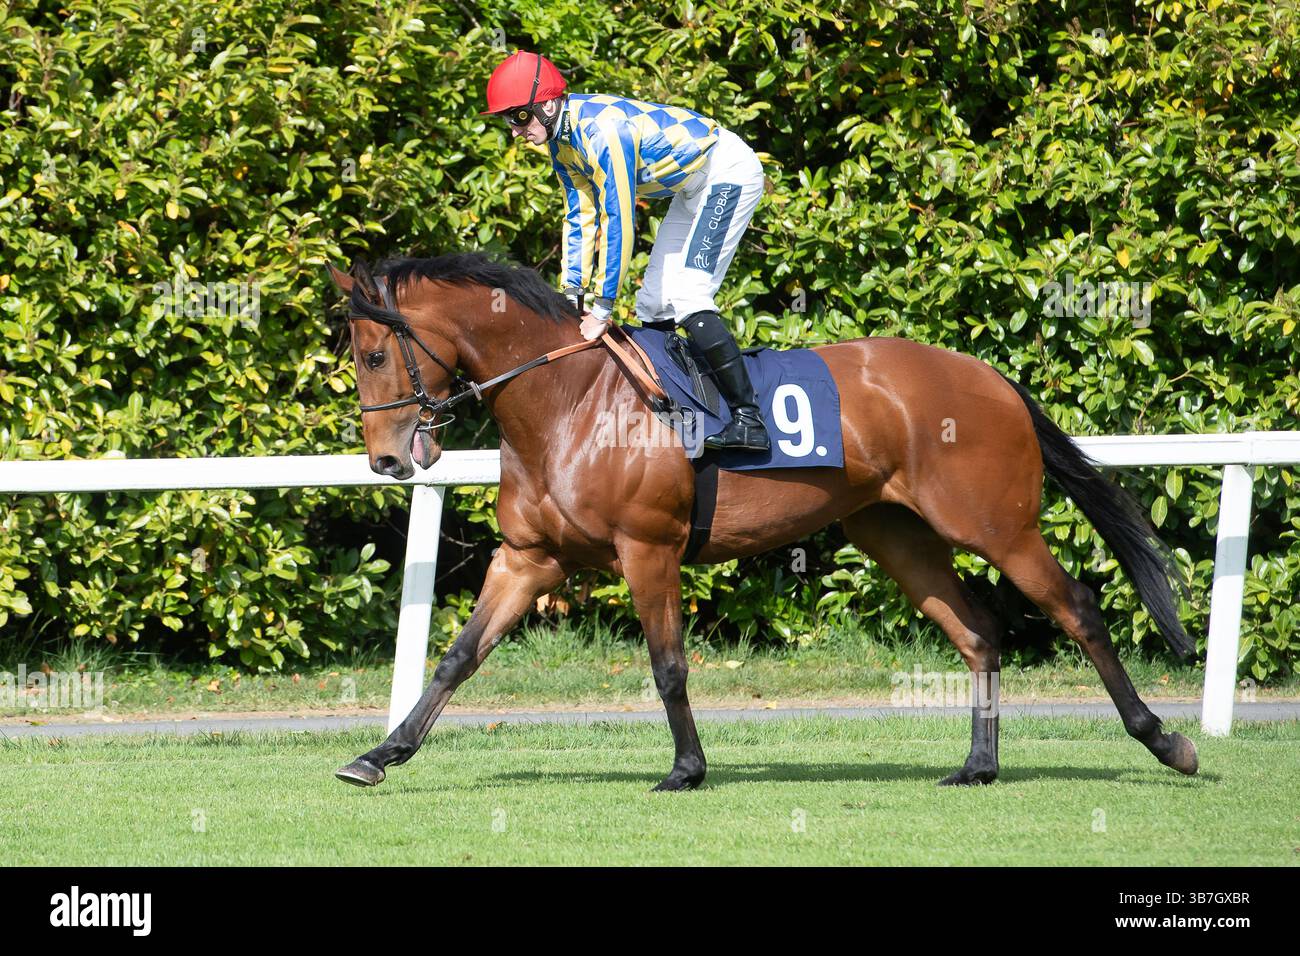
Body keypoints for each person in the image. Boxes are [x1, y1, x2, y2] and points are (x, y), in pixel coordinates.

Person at [481, 51, 770, 453]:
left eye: (518, 117)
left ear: (546, 104)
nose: (514, 131)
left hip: (727, 173)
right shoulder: (562, 144)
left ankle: (749, 419)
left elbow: (618, 221)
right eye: (508, 120)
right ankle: (683, 410)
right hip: (690, 187)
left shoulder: (602, 132)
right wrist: (571, 296)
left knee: (688, 296)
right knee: (652, 304)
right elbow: (580, 217)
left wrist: (602, 309)